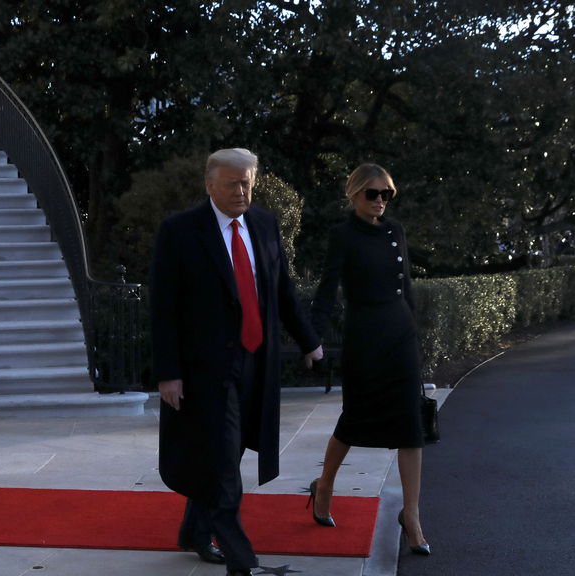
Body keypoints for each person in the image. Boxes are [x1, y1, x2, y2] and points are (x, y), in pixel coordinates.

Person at [151, 148, 324, 576]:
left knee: (224, 452)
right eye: (232, 183)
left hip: (256, 363)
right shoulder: (180, 232)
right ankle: (239, 557)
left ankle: (194, 530)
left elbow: (281, 289)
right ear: (210, 185)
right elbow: (163, 307)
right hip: (206, 369)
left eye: (247, 181)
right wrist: (168, 373)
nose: (241, 190)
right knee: (225, 459)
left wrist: (310, 342)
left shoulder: (264, 224)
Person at [307, 163, 431, 556]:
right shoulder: (341, 235)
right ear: (354, 195)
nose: (380, 201)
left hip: (400, 335)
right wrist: (313, 337)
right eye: (372, 194)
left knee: (412, 423)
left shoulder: (395, 231)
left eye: (386, 194)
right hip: (365, 337)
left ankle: (411, 515)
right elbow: (328, 289)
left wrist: (416, 335)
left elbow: (406, 285)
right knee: (354, 420)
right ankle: (324, 484)